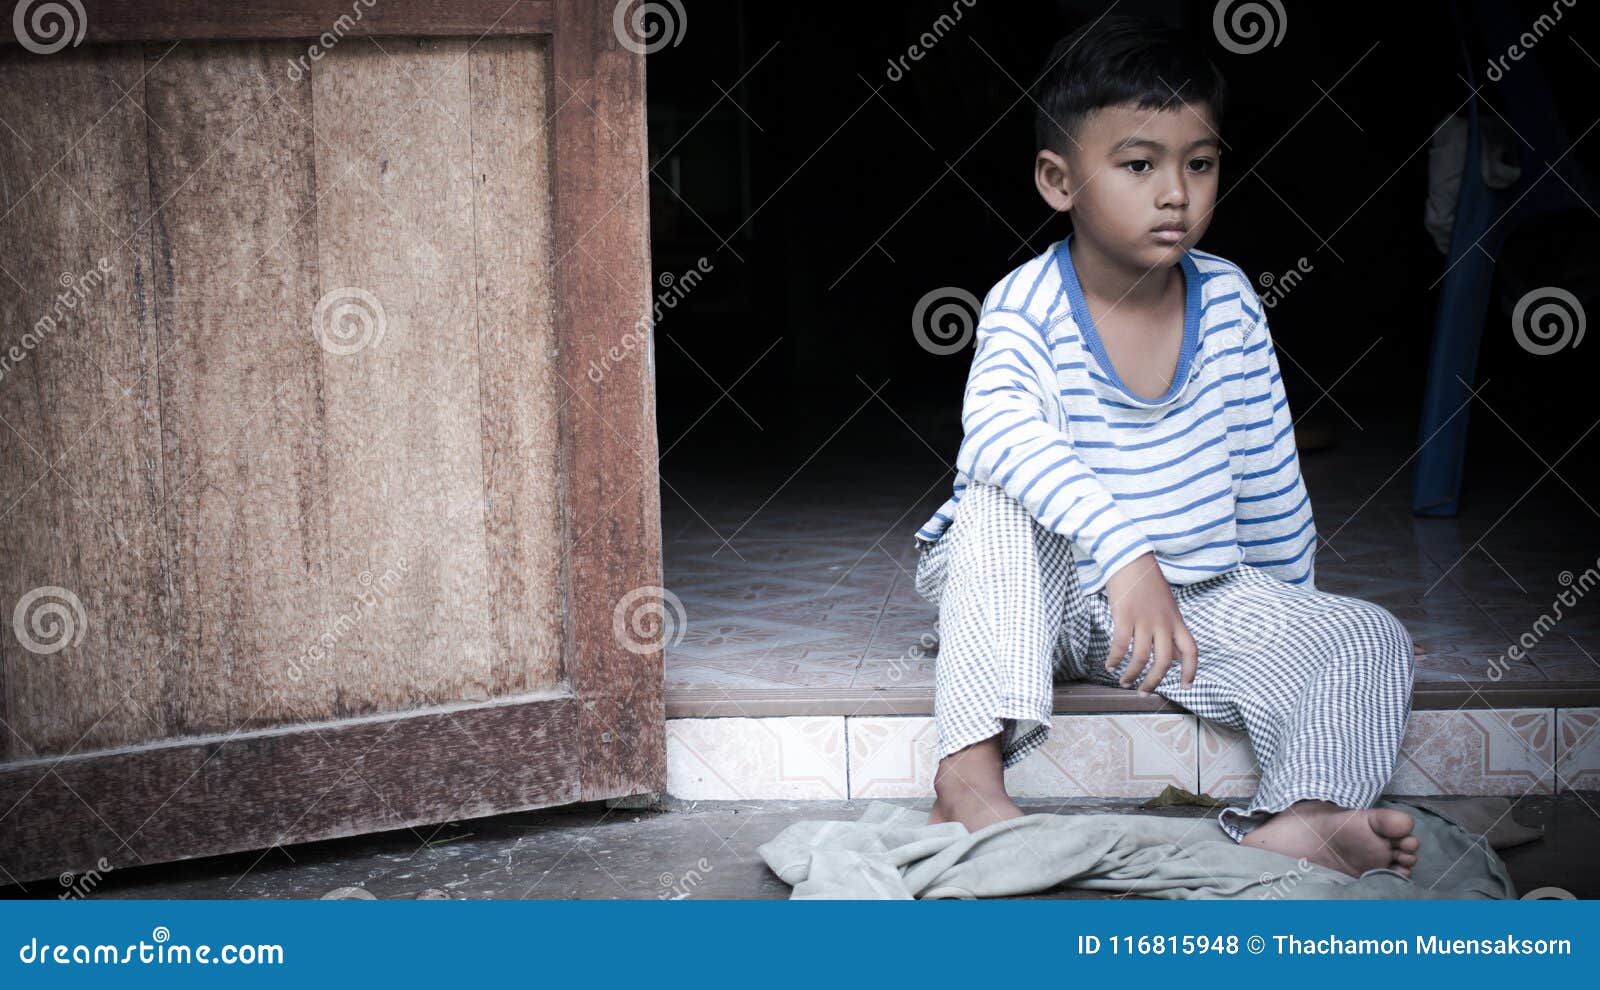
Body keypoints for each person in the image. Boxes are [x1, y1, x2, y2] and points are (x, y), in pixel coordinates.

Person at [911, 15, 1420, 877]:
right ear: (1058, 180)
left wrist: (1285, 626)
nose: (1176, 193)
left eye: (1200, 162)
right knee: (996, 495)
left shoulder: (1227, 301)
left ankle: (1309, 815)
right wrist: (1123, 547)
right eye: (1139, 165)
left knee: (1366, 634)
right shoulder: (1023, 303)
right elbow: (996, 431)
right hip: (1034, 587)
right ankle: (967, 777)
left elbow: (1267, 479)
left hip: (1184, 607)